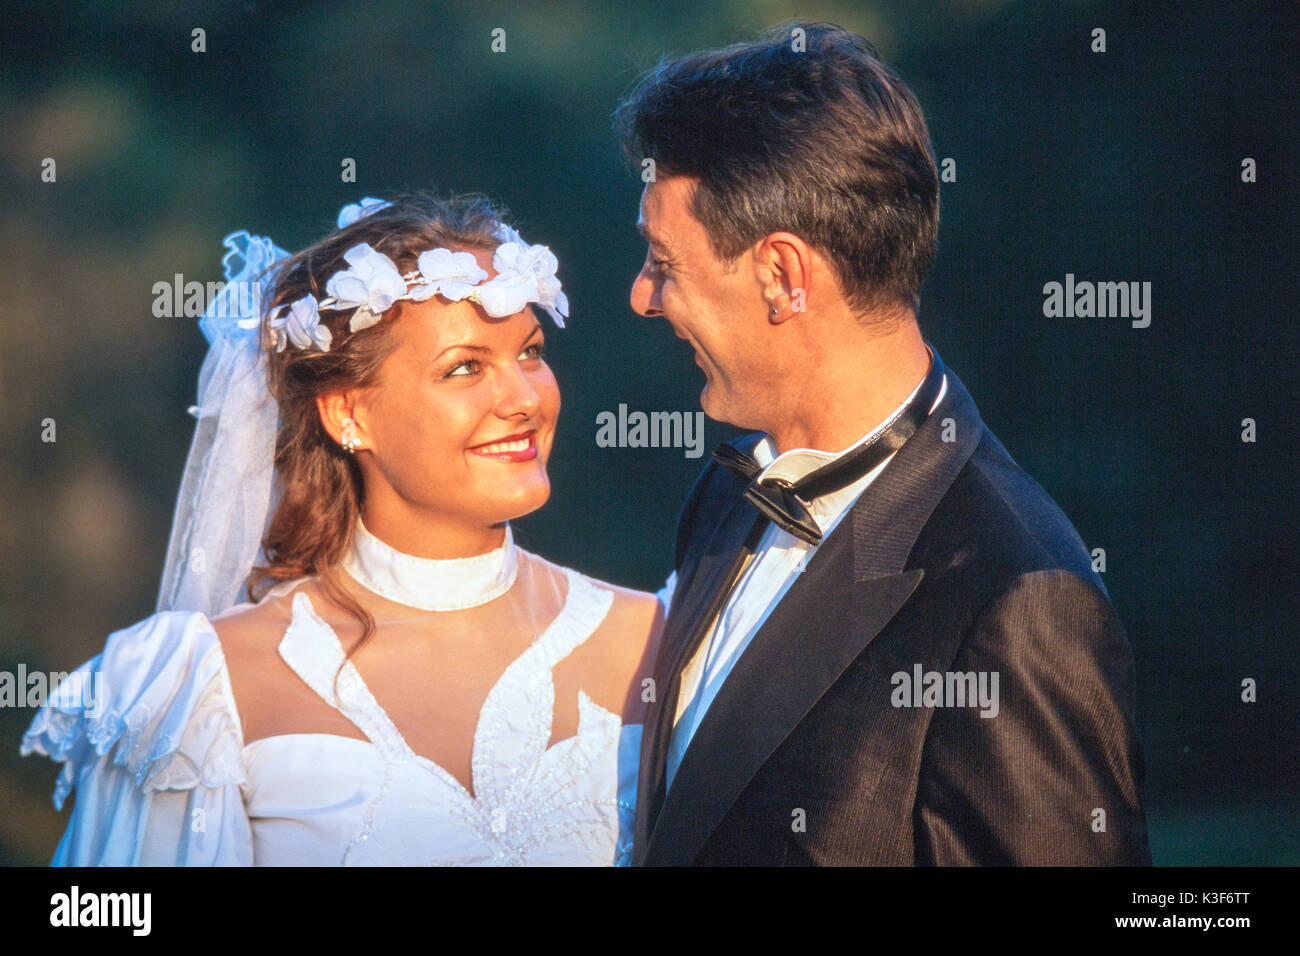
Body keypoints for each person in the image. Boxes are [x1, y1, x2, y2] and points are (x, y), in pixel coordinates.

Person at [618, 22, 1152, 865]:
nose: (643, 297)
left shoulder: (1015, 599)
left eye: (663, 263)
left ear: (783, 276)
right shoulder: (725, 495)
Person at [21, 192, 662, 865]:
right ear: (347, 413)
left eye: (530, 353)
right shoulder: (207, 690)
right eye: (465, 367)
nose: (526, 399)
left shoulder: (653, 642)